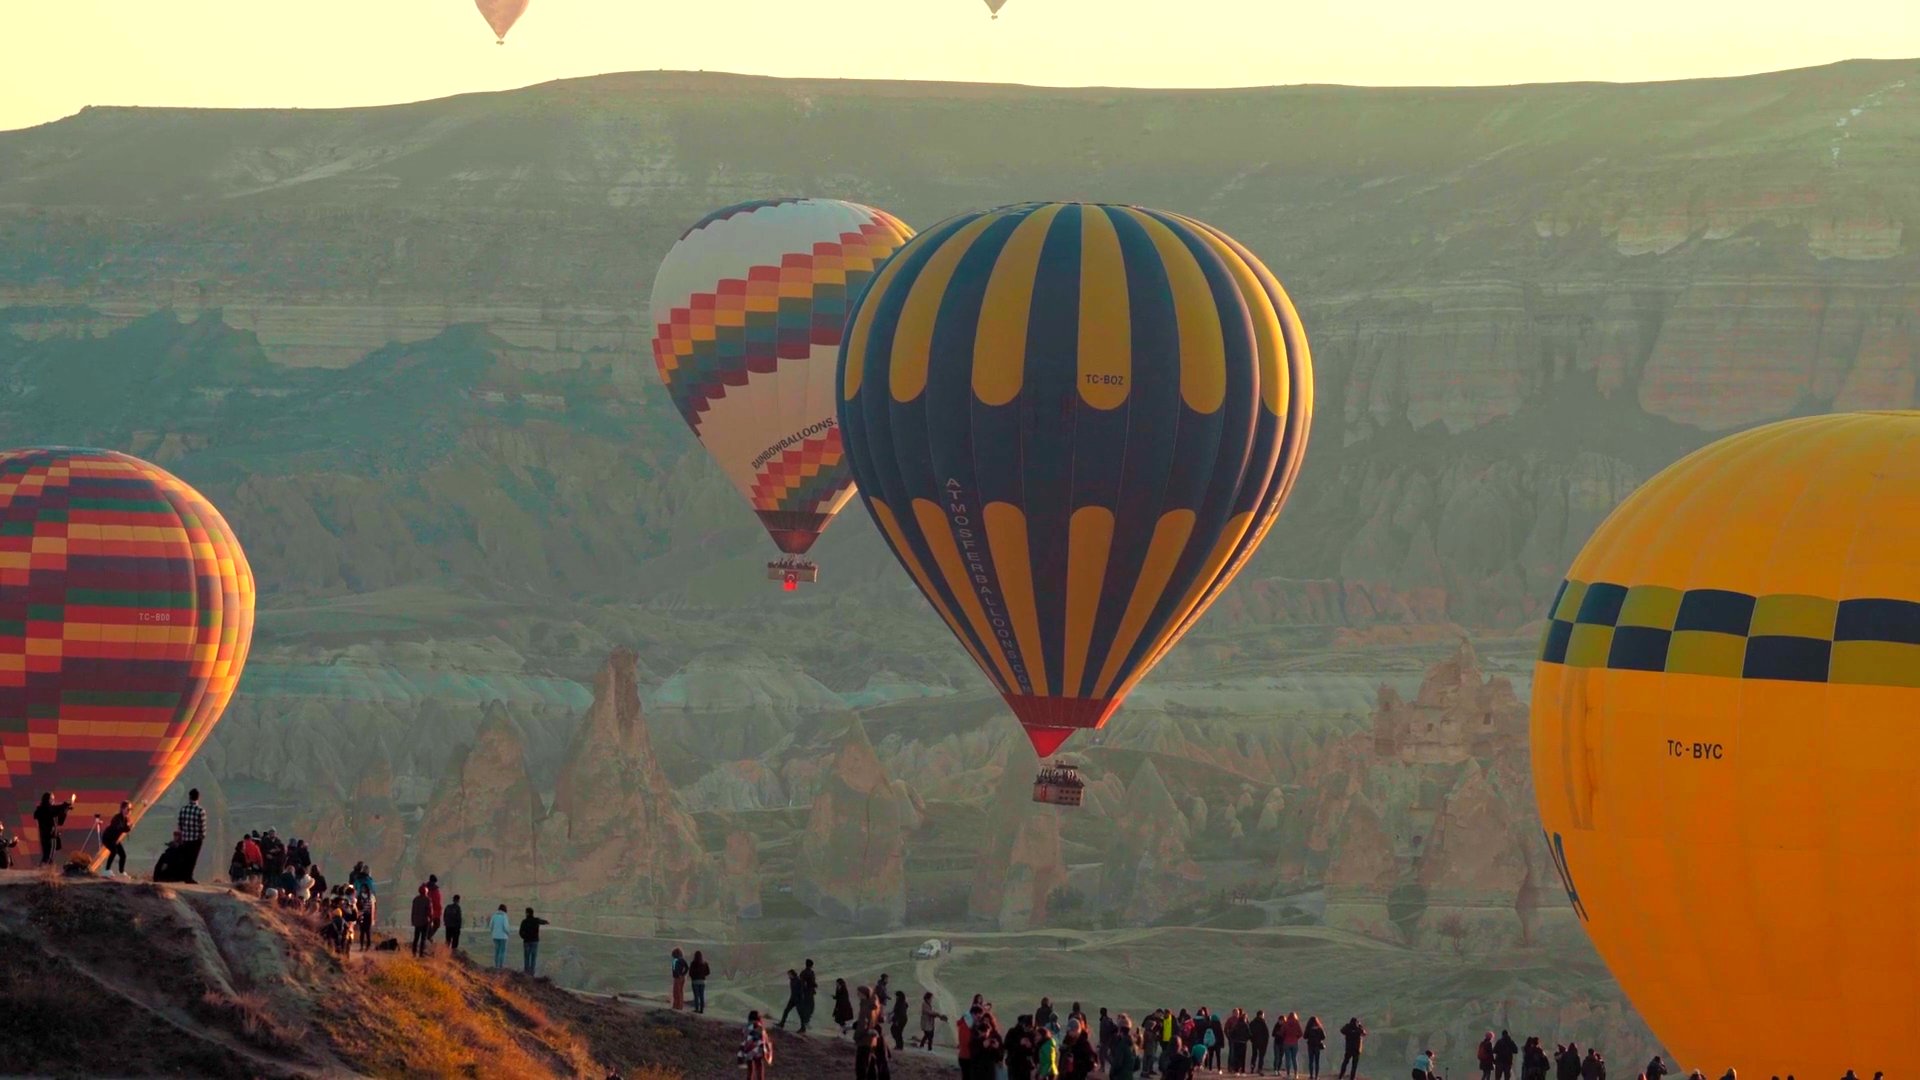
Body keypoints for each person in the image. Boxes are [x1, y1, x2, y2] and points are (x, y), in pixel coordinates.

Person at [34, 792, 72, 866]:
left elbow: (60, 822)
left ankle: (46, 871)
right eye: (51, 798)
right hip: (47, 836)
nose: (53, 800)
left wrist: (65, 811)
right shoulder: (43, 810)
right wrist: (64, 805)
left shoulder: (53, 810)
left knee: (50, 856)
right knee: (47, 856)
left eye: (53, 798)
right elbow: (51, 810)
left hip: (53, 836)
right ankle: (43, 871)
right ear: (46, 799)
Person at [175, 789, 206, 883]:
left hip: (186, 838)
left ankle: (183, 876)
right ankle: (188, 877)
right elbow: (203, 826)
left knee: (185, 857)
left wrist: (181, 834)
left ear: (189, 797)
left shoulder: (183, 809)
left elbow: (179, 823)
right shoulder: (200, 810)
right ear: (198, 797)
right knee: (192, 859)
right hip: (196, 838)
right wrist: (202, 836)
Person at [736, 1009, 772, 1080]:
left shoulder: (746, 1027)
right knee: (759, 1067)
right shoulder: (759, 1027)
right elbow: (764, 1039)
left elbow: (744, 1038)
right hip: (758, 1050)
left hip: (748, 1049)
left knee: (750, 1069)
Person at [101, 801, 132, 876]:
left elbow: (126, 829)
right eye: (128, 809)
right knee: (114, 851)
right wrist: (127, 827)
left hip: (115, 839)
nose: (129, 811)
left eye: (131, 809)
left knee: (123, 855)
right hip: (108, 838)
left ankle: (121, 872)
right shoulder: (117, 817)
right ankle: (106, 870)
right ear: (122, 809)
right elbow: (118, 828)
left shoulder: (126, 819)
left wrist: (128, 826)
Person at [1111, 1016, 1141, 1080]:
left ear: (1120, 1030)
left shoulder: (1121, 1045)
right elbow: (1137, 1065)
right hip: (1129, 1076)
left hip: (1120, 1076)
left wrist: (1112, 1074)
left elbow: (1117, 1064)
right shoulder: (1134, 1045)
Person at [519, 907, 548, 975]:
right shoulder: (536, 920)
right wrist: (546, 922)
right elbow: (543, 922)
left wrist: (524, 937)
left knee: (526, 957)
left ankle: (526, 972)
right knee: (533, 957)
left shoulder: (524, 921)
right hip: (535, 941)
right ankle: (532, 972)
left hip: (526, 941)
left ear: (527, 913)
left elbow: (520, 932)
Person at [409, 884, 432, 956]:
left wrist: (413, 920)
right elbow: (430, 911)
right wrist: (431, 920)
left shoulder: (415, 900)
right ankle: (421, 953)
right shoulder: (427, 900)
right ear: (426, 891)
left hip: (417, 922)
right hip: (425, 922)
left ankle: (414, 953)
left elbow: (413, 911)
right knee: (423, 938)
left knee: (416, 938)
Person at [797, 958, 818, 1034]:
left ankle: (805, 1023)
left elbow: (802, 983)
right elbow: (805, 983)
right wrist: (814, 985)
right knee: (809, 1008)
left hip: (808, 992)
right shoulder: (808, 972)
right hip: (807, 993)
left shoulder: (805, 972)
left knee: (809, 1008)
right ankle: (805, 1023)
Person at [1280, 1013, 1304, 1077]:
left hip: (1286, 1043)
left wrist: (1285, 1037)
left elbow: (1281, 1033)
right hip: (1294, 1043)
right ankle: (1296, 1074)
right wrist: (1296, 1037)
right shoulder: (1296, 1023)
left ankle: (1288, 1074)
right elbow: (1301, 1033)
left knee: (1288, 1059)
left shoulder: (1285, 1023)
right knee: (1294, 1058)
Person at [1227, 1009, 1250, 1074]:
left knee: (1236, 1056)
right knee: (1241, 1057)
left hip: (1236, 1042)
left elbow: (1232, 1032)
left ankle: (1236, 1070)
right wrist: (1246, 1039)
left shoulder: (1237, 1024)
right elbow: (1249, 1034)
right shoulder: (1245, 1025)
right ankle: (1241, 1070)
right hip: (1242, 1042)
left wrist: (1232, 1038)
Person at [689, 949, 711, 1014]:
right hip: (702, 981)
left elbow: (690, 973)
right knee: (702, 996)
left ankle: (696, 1008)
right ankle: (701, 1010)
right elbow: (708, 972)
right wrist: (703, 975)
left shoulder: (693, 963)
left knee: (696, 996)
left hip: (695, 981)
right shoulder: (705, 963)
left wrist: (693, 977)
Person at [425, 874, 444, 950]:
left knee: (433, 925)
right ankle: (428, 938)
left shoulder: (426, 889)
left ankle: (428, 937)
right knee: (434, 925)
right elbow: (436, 902)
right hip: (432, 911)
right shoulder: (431, 890)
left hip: (433, 911)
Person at [1249, 1010, 1271, 1075]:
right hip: (1262, 1043)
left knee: (1254, 1055)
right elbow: (1266, 1034)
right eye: (1263, 1015)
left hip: (1254, 1042)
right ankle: (1259, 1069)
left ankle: (1252, 1068)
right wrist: (1266, 1042)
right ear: (1261, 1015)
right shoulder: (1263, 1023)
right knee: (1261, 1056)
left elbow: (1249, 1032)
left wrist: (1252, 1039)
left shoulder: (1252, 1022)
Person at [490, 903, 511, 968]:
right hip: (503, 936)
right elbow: (505, 927)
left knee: (496, 951)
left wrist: (493, 932)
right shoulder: (504, 916)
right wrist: (508, 933)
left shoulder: (494, 916)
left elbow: (491, 925)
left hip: (495, 936)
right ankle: (501, 965)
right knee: (502, 951)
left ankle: (496, 965)